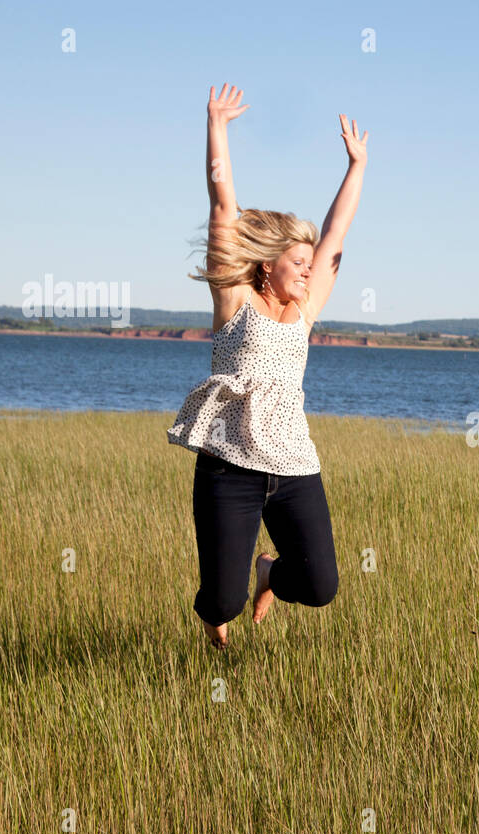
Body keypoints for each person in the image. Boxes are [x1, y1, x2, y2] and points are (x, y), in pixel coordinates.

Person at [167, 83, 367, 648]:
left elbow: (336, 234)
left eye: (310, 264)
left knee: (321, 585)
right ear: (267, 263)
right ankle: (217, 612)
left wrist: (357, 166)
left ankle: (269, 573)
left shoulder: (305, 311)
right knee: (222, 600)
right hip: (229, 467)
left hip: (294, 464)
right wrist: (217, 126)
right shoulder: (235, 299)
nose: (309, 270)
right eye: (297, 262)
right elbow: (223, 206)